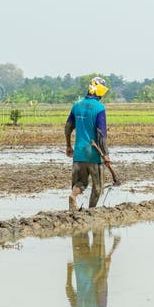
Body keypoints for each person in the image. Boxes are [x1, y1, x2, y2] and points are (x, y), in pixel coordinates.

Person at [65, 76, 113, 211]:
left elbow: (68, 127)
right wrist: (106, 154)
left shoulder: (76, 105)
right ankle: (91, 211)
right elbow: (101, 134)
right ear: (99, 91)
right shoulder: (99, 108)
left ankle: (73, 196)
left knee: (81, 183)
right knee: (97, 188)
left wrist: (68, 145)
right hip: (94, 154)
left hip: (79, 153)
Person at [66, 230, 120, 307]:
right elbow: (69, 291)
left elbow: (101, 283)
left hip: (97, 263)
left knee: (98, 231)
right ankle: (76, 215)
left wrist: (107, 267)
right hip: (80, 264)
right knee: (77, 230)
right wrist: (69, 270)